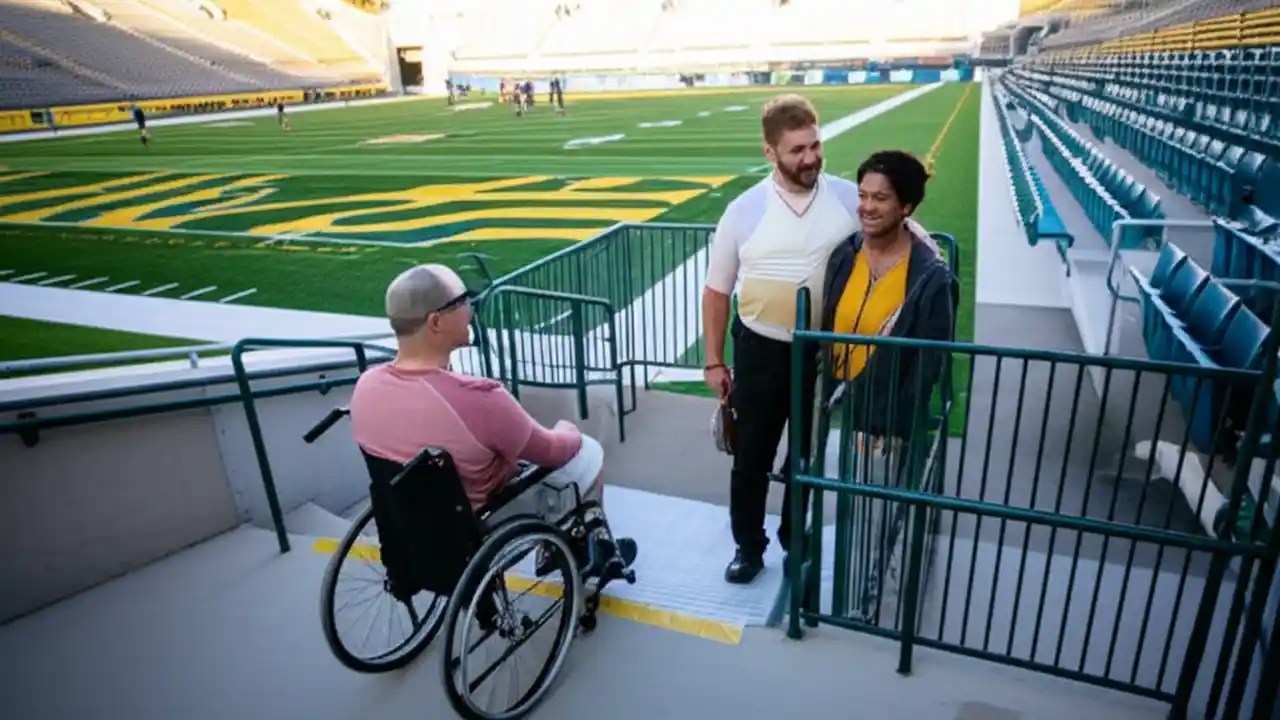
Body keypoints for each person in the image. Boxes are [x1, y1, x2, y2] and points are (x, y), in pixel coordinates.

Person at [349, 263, 637, 571]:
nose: (470, 309)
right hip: (478, 521)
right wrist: (569, 430)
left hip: (413, 521)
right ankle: (581, 552)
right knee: (588, 452)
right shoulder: (479, 398)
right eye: (461, 303)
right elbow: (552, 451)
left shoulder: (366, 386)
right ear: (435, 321)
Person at [701, 94, 865, 584]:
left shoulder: (845, 198)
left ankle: (797, 537)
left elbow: (893, 235)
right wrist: (713, 361)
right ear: (770, 153)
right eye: (798, 150)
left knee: (807, 455)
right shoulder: (744, 210)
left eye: (815, 145)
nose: (811, 158)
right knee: (752, 456)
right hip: (759, 347)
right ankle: (748, 548)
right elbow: (716, 291)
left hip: (822, 351)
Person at [819, 150, 957, 485]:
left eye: (880, 198)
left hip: (888, 417)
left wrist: (896, 418)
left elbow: (928, 363)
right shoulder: (845, 254)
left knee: (877, 512)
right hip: (837, 401)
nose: (867, 207)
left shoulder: (931, 277)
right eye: (863, 196)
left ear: (906, 207)